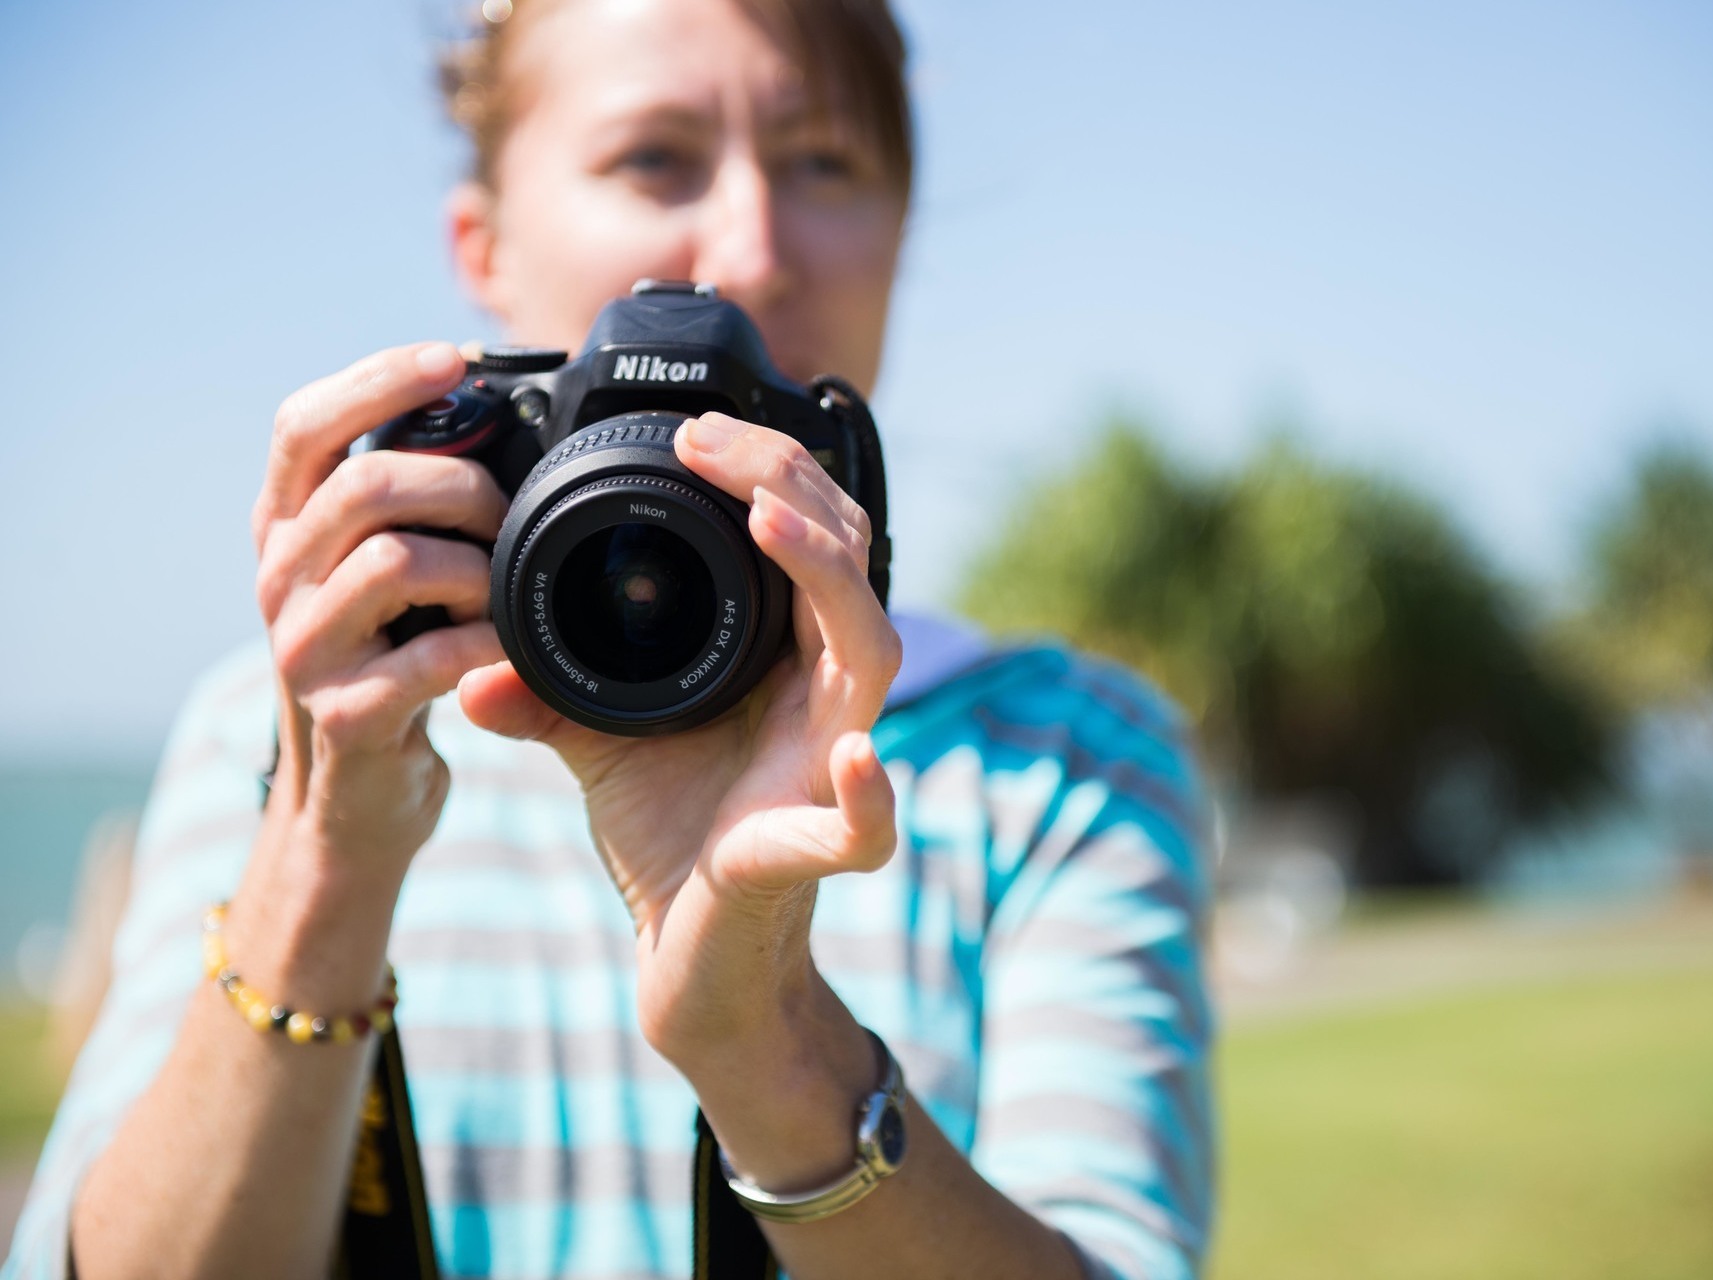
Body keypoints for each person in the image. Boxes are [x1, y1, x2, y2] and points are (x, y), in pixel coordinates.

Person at [4, 1, 1214, 1276]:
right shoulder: (296, 729)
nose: (746, 252)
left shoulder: (1068, 759)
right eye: (655, 157)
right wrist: (325, 865)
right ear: (485, 245)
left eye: (824, 163)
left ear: (900, 234)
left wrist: (766, 1035)